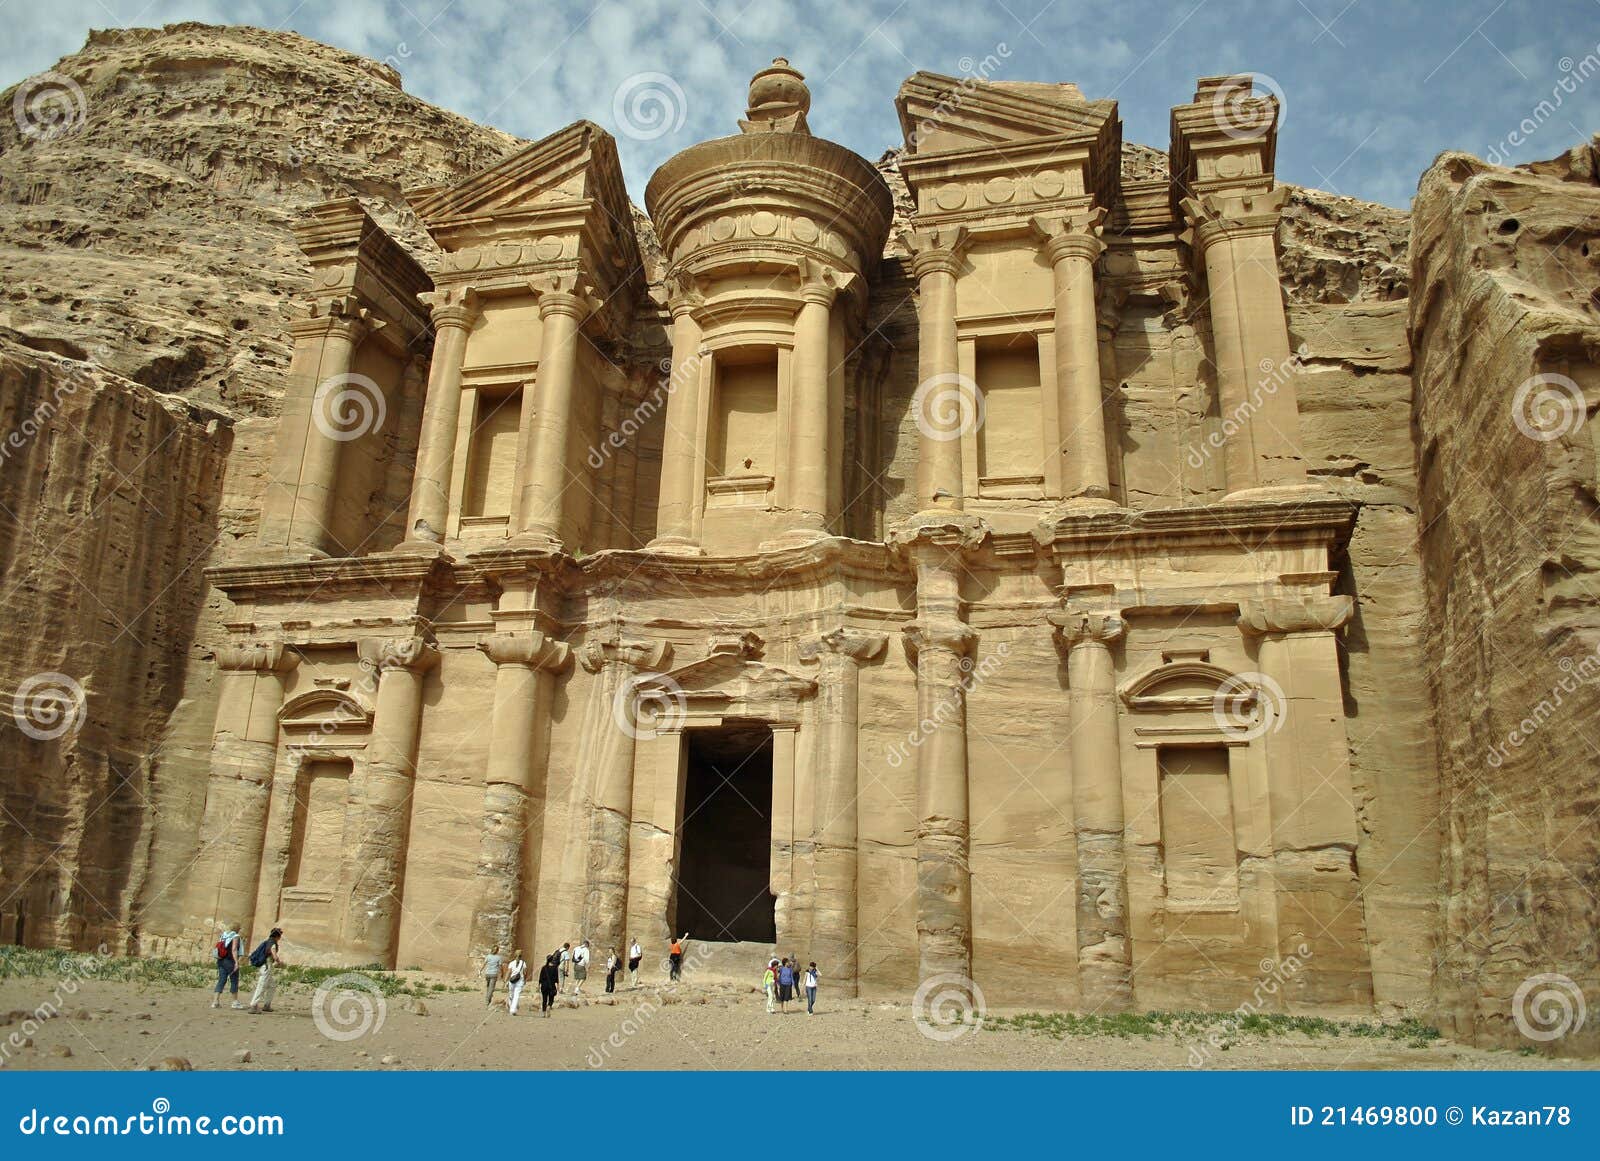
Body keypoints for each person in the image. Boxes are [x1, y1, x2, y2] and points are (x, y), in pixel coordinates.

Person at [247, 927, 282, 1014]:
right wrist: (279, 962)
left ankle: (267, 1005)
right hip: (267, 966)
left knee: (272, 985)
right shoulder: (273, 943)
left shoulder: (268, 941)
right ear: (278, 936)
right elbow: (274, 955)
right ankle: (254, 1005)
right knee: (262, 985)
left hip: (265, 966)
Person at [211, 924, 244, 1010]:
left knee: (221, 980)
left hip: (221, 960)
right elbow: (234, 949)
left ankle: (215, 1002)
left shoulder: (223, 935)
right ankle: (235, 1002)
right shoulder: (235, 936)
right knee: (234, 980)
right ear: (237, 929)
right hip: (230, 961)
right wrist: (236, 962)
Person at [505, 949, 528, 1015]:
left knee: (511, 994)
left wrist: (505, 981)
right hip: (520, 980)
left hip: (512, 980)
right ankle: (513, 1009)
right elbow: (525, 972)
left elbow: (509, 972)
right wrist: (525, 980)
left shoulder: (511, 963)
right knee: (516, 995)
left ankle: (511, 1007)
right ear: (521, 956)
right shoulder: (523, 963)